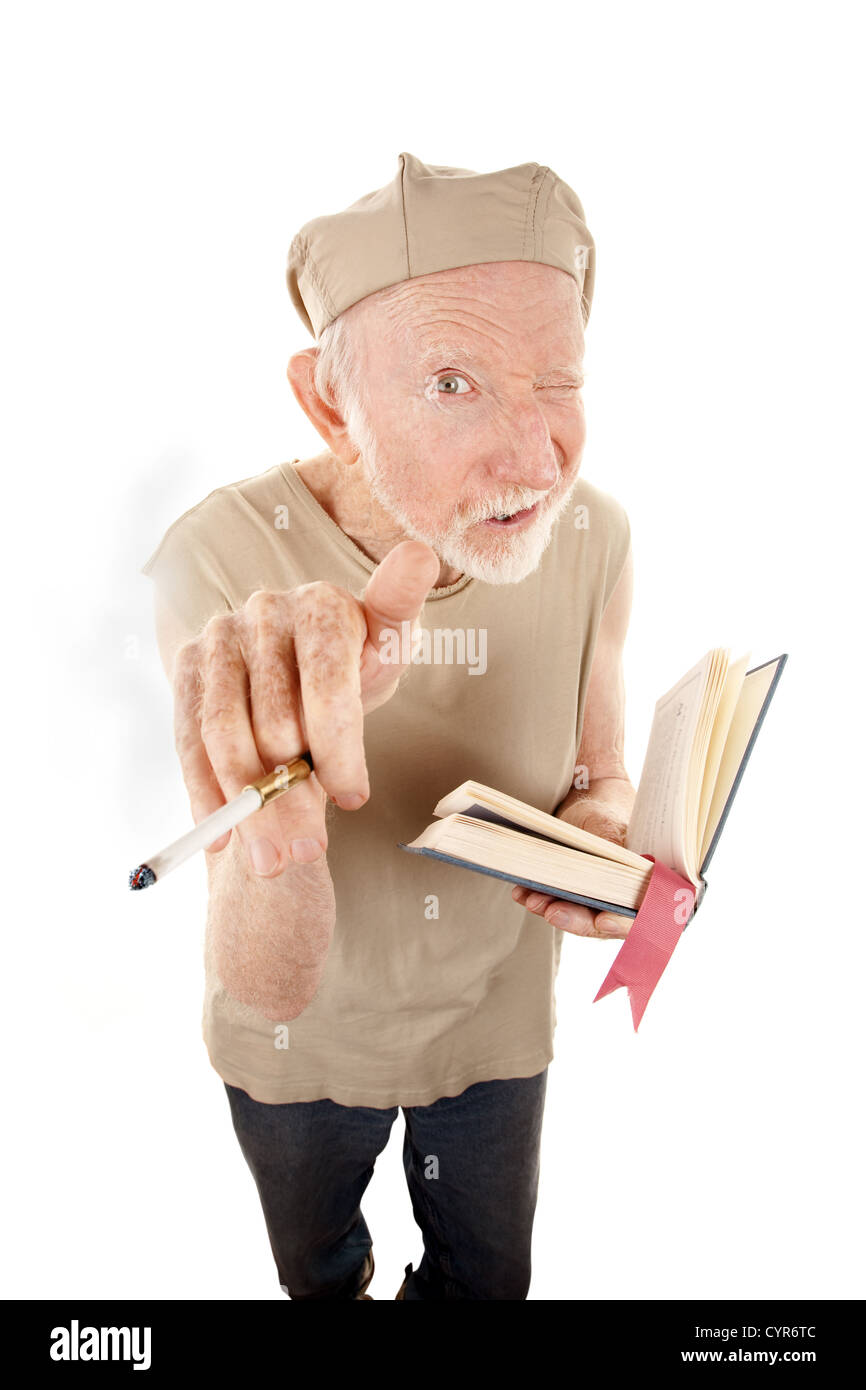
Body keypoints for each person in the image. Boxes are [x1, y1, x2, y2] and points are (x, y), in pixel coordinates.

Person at [142, 151, 635, 1300]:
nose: (535, 458)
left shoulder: (596, 535)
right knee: (320, 1278)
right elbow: (267, 982)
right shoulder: (211, 563)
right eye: (453, 383)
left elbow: (597, 772)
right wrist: (281, 815)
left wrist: (601, 837)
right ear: (328, 401)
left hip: (496, 1036)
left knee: (483, 1283)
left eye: (555, 381)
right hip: (295, 1056)